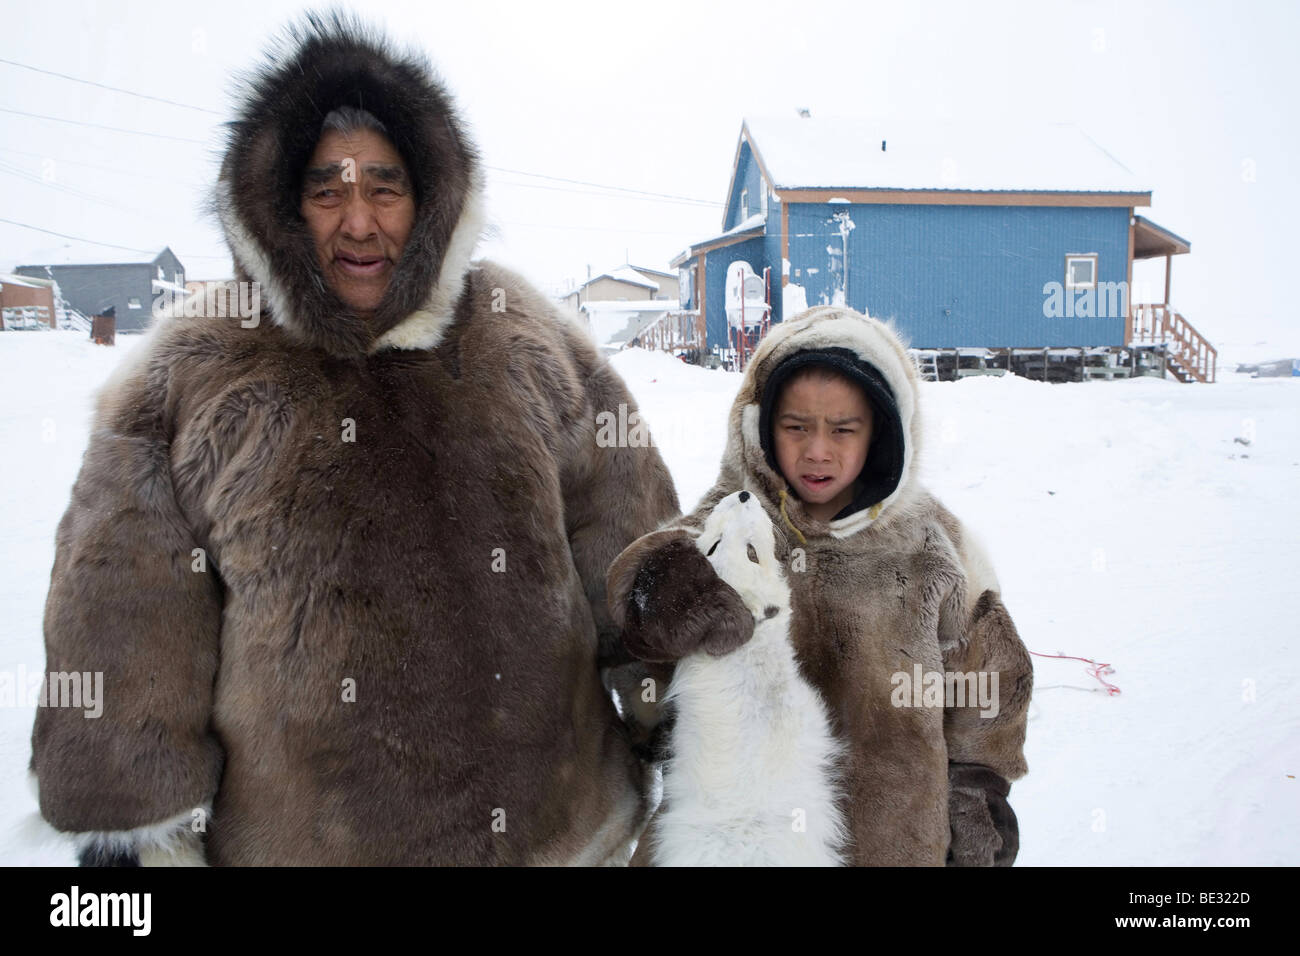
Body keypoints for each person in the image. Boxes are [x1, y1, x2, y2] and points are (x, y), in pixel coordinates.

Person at [30, 11, 679, 865]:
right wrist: (133, 833)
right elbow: (121, 613)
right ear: (281, 206)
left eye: (385, 186)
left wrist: (678, 717)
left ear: (432, 194)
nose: (360, 223)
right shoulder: (186, 381)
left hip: (561, 838)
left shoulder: (525, 340)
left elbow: (633, 545)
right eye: (326, 190)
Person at [607, 305, 1032, 865]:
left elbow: (989, 685)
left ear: (882, 431)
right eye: (796, 427)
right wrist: (668, 602)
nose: (817, 451)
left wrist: (977, 794)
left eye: (843, 429)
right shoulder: (727, 527)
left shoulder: (935, 546)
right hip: (733, 840)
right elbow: (636, 612)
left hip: (891, 836)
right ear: (761, 424)